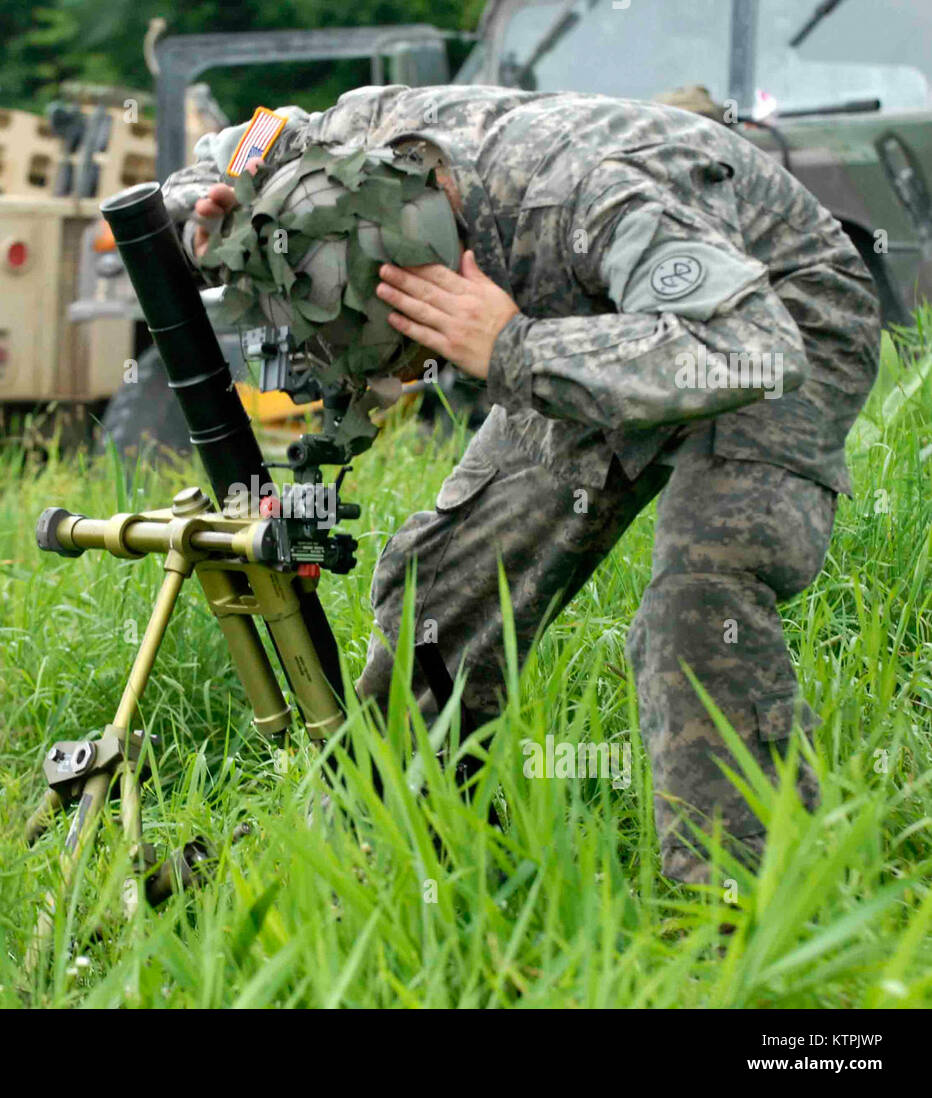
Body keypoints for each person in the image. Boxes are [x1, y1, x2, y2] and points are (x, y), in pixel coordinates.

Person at [162, 85, 881, 884]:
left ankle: (747, 908)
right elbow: (223, 155)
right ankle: (409, 860)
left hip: (773, 319)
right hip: (566, 316)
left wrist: (511, 349)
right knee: (443, 579)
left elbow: (751, 348)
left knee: (701, 604)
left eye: (409, 347)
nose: (407, 377)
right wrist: (204, 210)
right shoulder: (347, 143)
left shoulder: (594, 193)